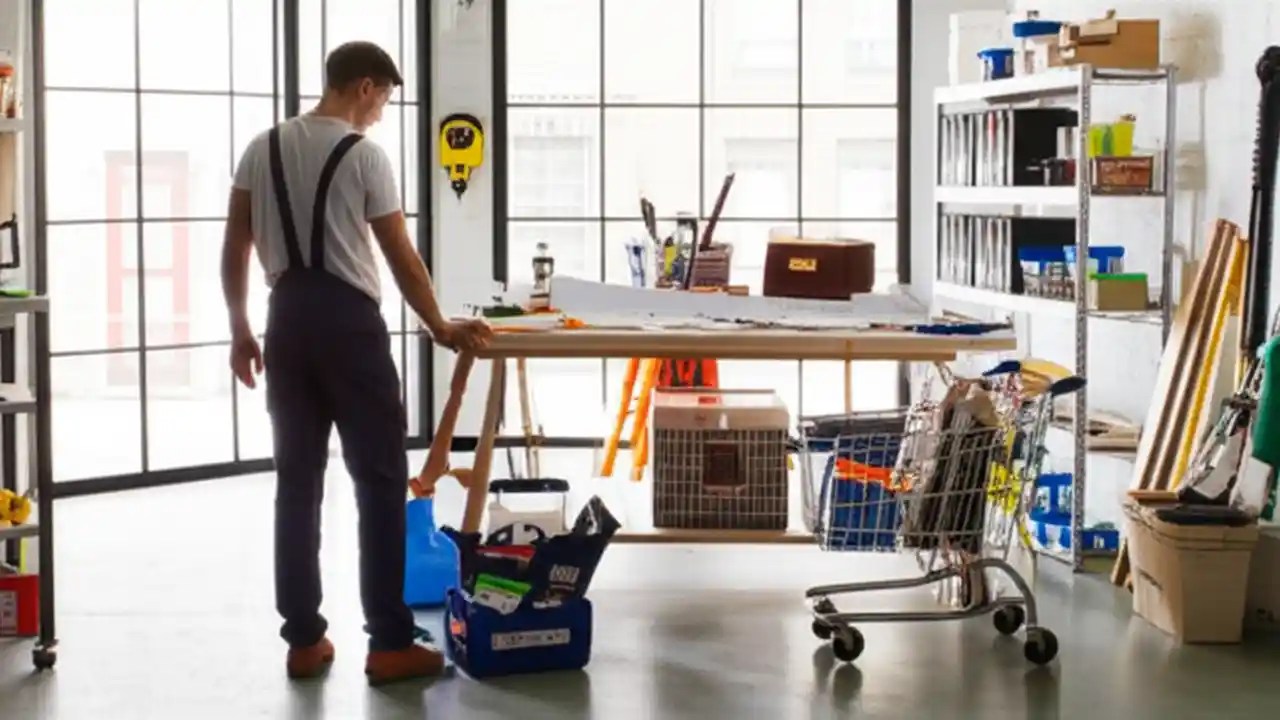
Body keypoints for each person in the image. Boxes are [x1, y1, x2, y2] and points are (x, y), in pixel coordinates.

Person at [219, 41, 491, 685]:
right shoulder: (365, 156)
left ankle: (304, 641)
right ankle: (390, 642)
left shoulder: (262, 147)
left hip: (285, 321)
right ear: (365, 86)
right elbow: (400, 255)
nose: (380, 113)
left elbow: (235, 244)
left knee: (298, 483)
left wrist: (239, 330)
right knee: (377, 482)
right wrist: (442, 326)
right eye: (384, 99)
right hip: (350, 329)